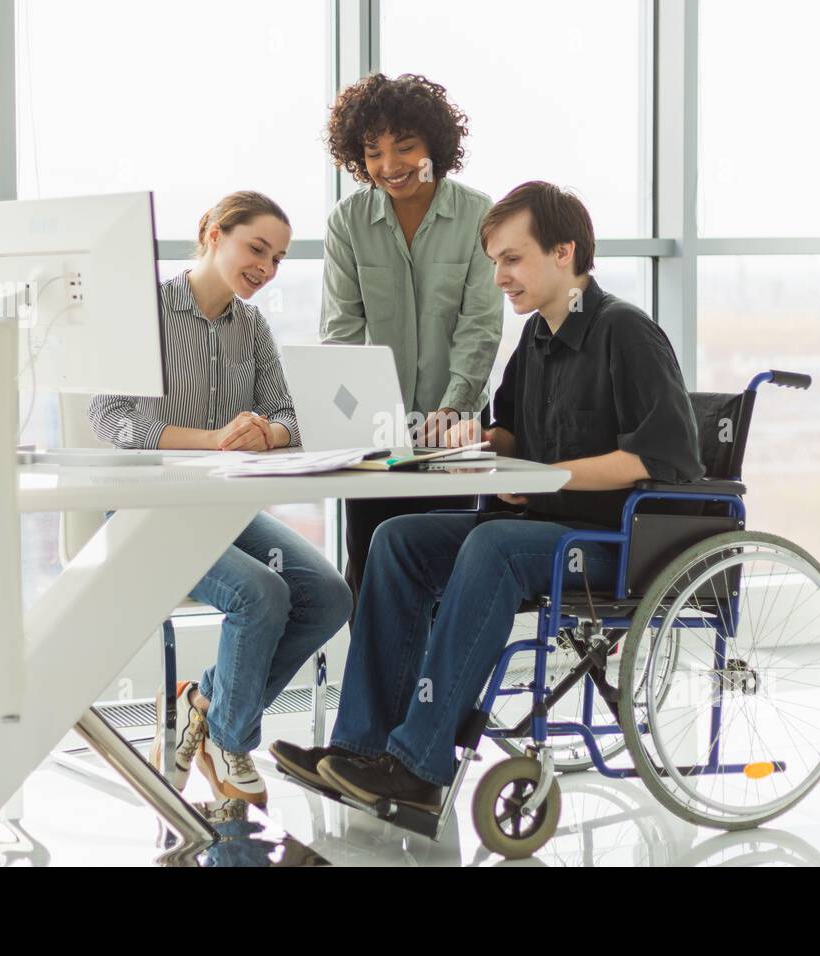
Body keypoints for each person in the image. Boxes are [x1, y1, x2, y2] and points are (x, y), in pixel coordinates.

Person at [272, 181, 703, 809]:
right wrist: (472, 440)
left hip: (615, 543)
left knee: (492, 546)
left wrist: (546, 478)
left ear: (564, 252)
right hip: (545, 529)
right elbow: (512, 434)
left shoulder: (626, 334)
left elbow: (656, 458)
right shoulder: (538, 340)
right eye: (494, 260)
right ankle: (362, 746)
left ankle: (419, 766)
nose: (499, 276)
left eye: (512, 258)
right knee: (397, 540)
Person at [89, 191, 351, 807]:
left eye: (279, 258)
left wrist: (270, 433)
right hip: (147, 514)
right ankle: (230, 741)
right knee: (261, 595)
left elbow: (289, 416)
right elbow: (108, 415)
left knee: (329, 597)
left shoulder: (252, 325)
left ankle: (202, 703)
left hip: (224, 513)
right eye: (256, 248)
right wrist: (210, 441)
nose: (266, 267)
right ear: (212, 232)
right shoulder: (146, 310)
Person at [320, 72, 504, 613]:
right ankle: (377, 695)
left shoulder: (476, 214)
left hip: (457, 421)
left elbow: (480, 325)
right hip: (376, 432)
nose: (390, 166)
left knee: (448, 569)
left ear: (435, 149)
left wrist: (453, 407)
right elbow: (341, 332)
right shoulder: (348, 221)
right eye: (373, 153)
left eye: (404, 148)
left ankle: (441, 695)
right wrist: (348, 420)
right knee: (370, 568)